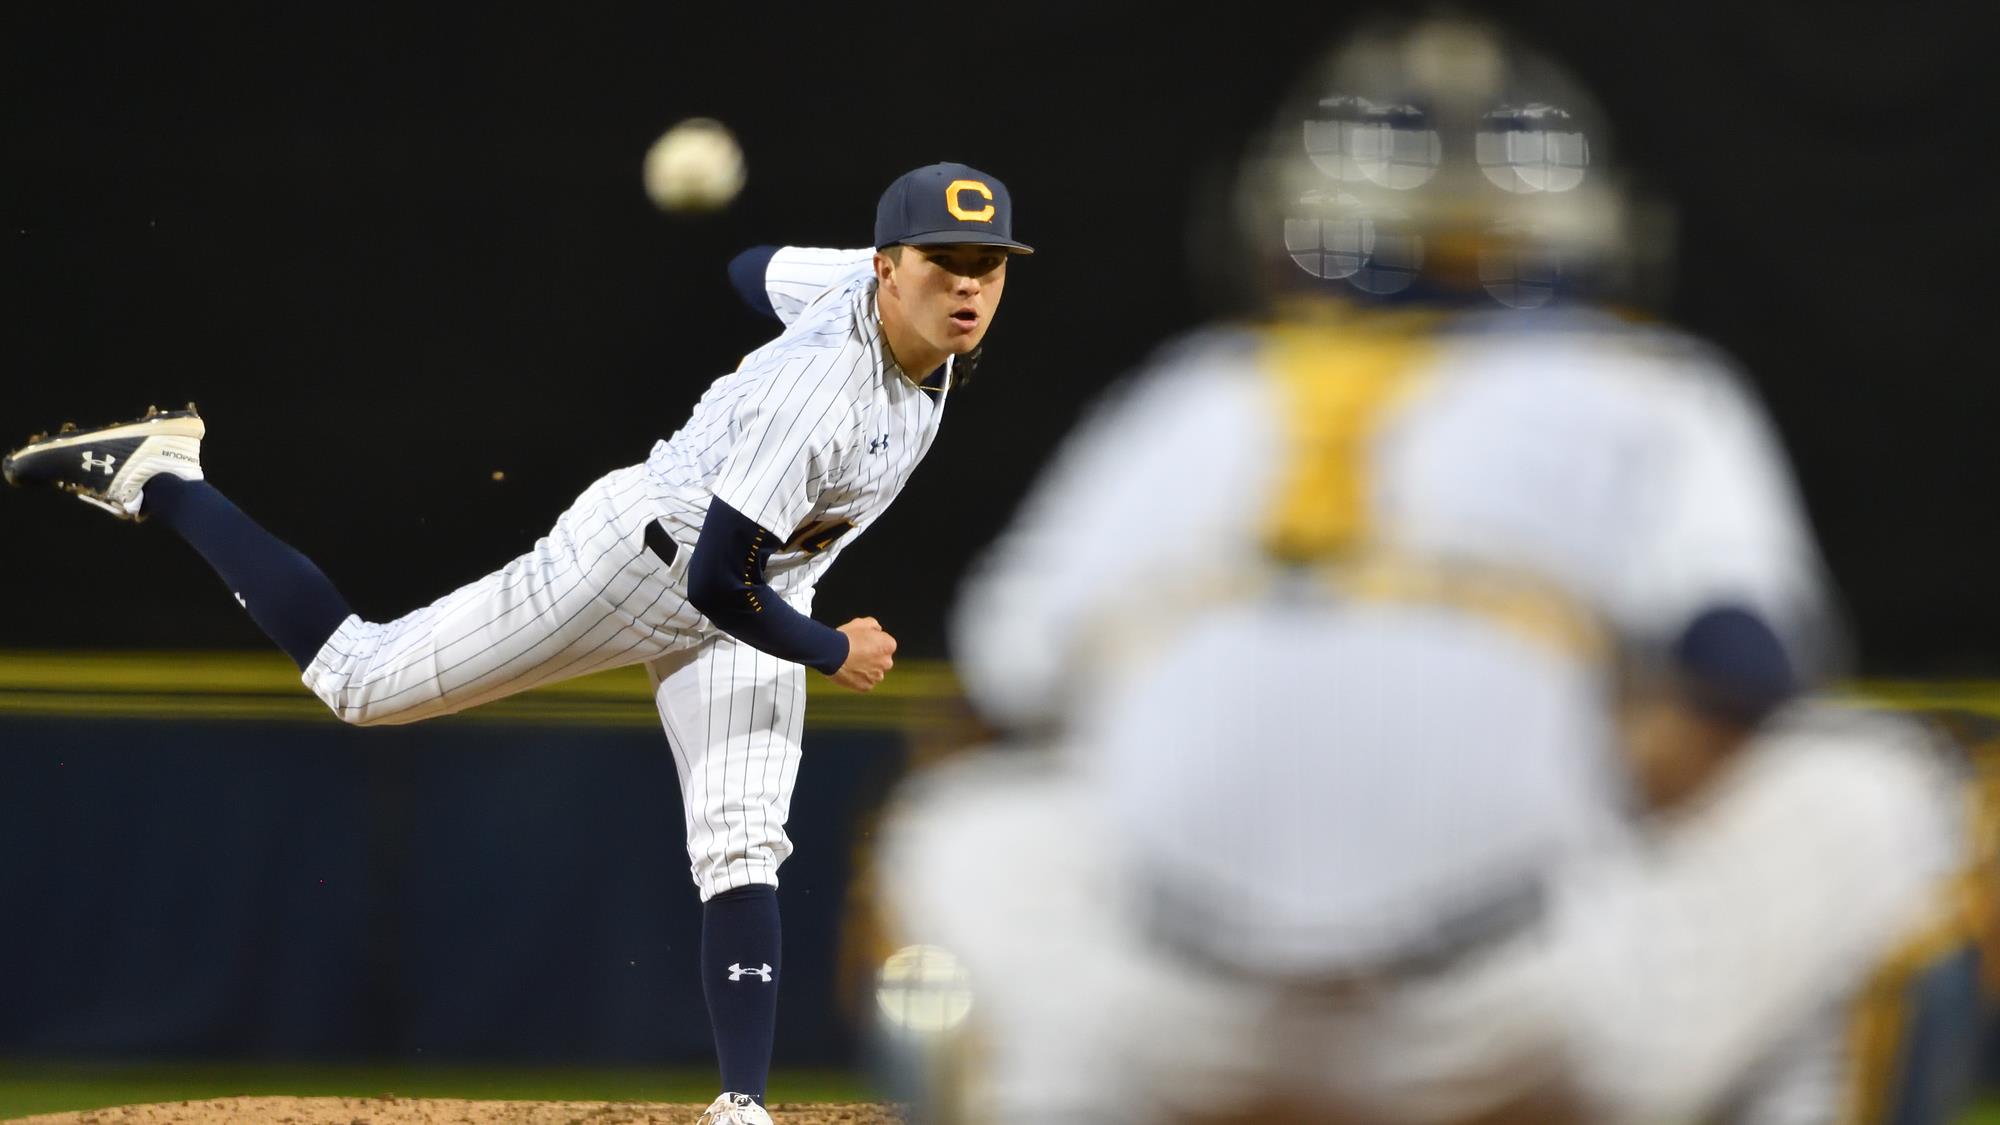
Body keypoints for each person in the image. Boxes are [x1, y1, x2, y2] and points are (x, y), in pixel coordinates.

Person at [871, 16, 1981, 1124]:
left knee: (963, 829)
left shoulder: (1196, 392)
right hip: (1511, 1015)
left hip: (1171, 1015)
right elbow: (1742, 670)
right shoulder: (1646, 386)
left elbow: (1005, 682)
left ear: (1287, 220)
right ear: (1580, 225)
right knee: (1880, 793)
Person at [2, 159, 1032, 1125]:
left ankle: (740, 1107)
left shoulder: (877, 296)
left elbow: (747, 268)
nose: (967, 286)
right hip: (641, 562)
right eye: (942, 261)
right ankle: (167, 478)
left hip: (763, 582)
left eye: (986, 265)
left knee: (744, 840)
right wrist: (828, 651)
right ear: (890, 265)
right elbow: (717, 582)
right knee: (361, 680)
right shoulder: (818, 393)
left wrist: (826, 297)